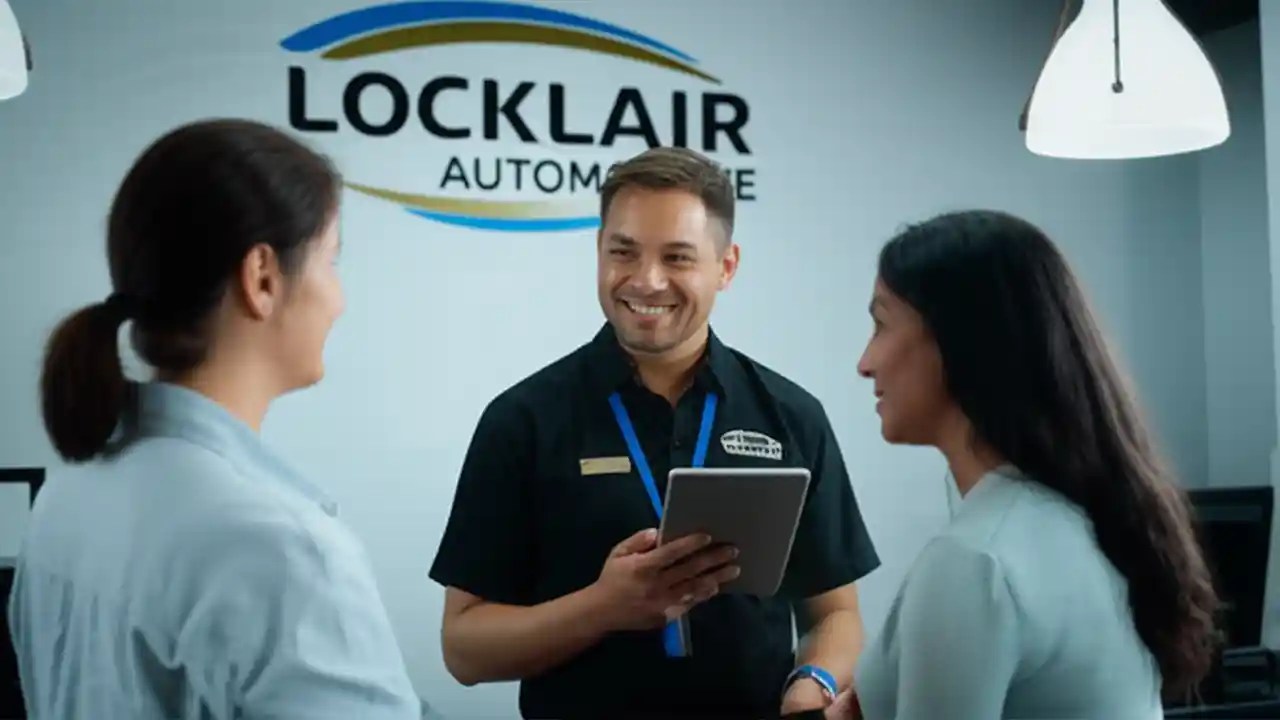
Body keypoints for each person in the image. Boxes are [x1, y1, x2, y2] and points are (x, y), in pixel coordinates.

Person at [428, 147, 881, 719]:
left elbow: (834, 614)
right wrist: (605, 606)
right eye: (623, 252)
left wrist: (812, 681)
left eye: (677, 257)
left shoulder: (790, 416)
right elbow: (464, 650)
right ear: (598, 251)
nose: (646, 281)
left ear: (727, 266)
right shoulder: (523, 420)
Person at [7, 118, 422, 719]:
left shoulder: (67, 495)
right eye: (331, 262)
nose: (339, 297)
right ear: (262, 278)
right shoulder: (279, 550)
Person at [852, 209, 1220, 719]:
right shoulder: (1087, 524)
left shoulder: (974, 561)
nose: (864, 362)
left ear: (961, 340)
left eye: (881, 324)